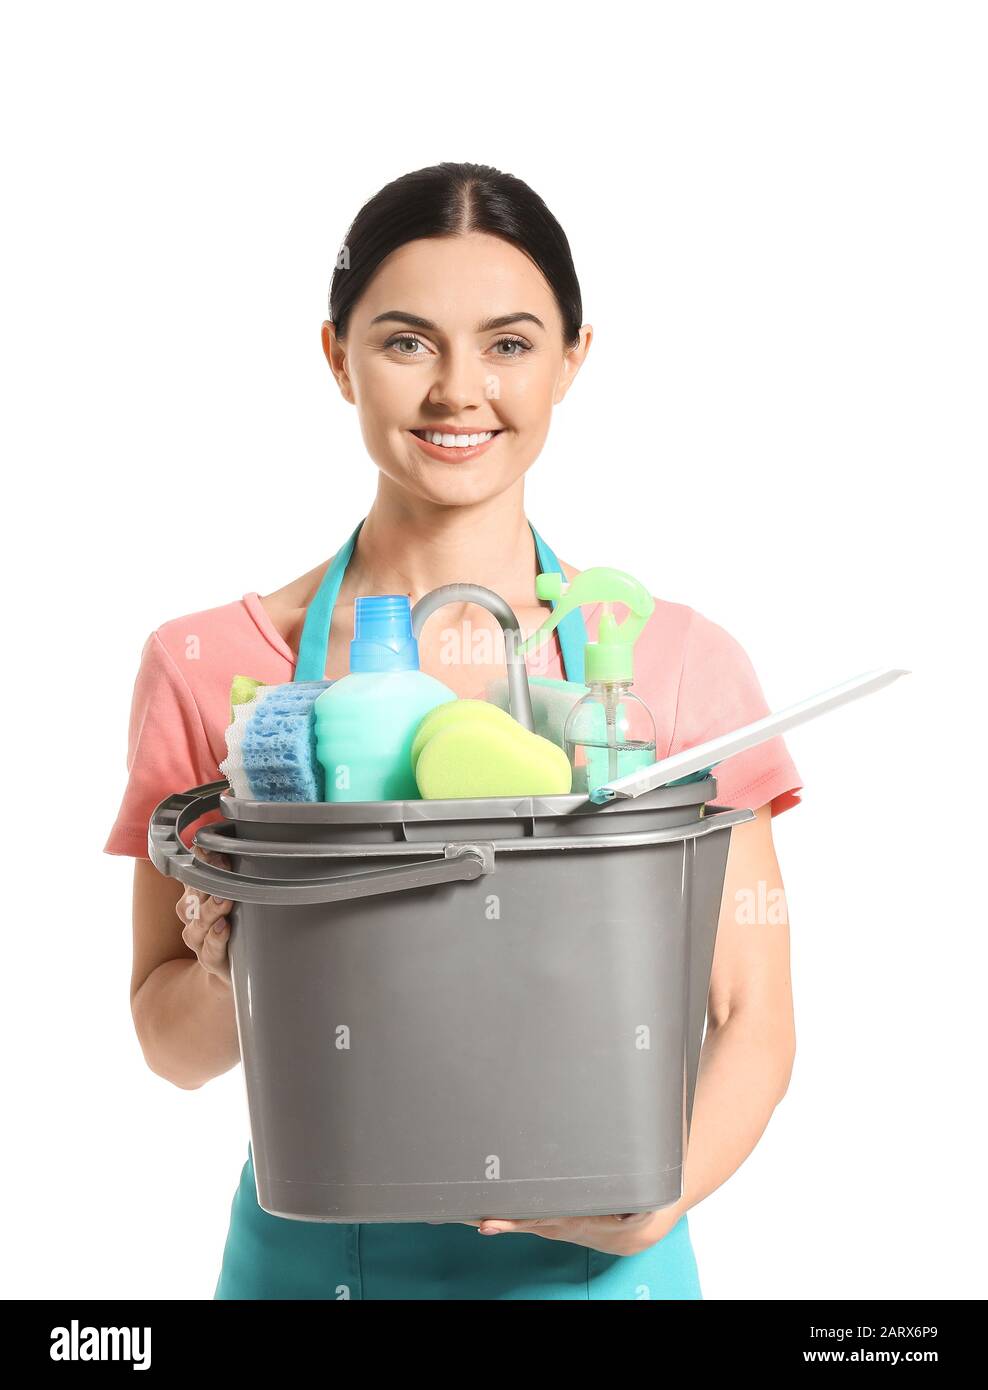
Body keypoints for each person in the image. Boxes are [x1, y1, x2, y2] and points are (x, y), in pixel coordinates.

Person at [106, 161, 802, 1300]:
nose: (458, 391)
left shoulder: (673, 665)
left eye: (512, 344)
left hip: (602, 1261)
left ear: (575, 358)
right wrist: (245, 947)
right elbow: (168, 1044)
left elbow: (754, 1020)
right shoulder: (221, 667)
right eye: (407, 342)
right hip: (316, 1260)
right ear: (336, 357)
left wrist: (652, 1203)